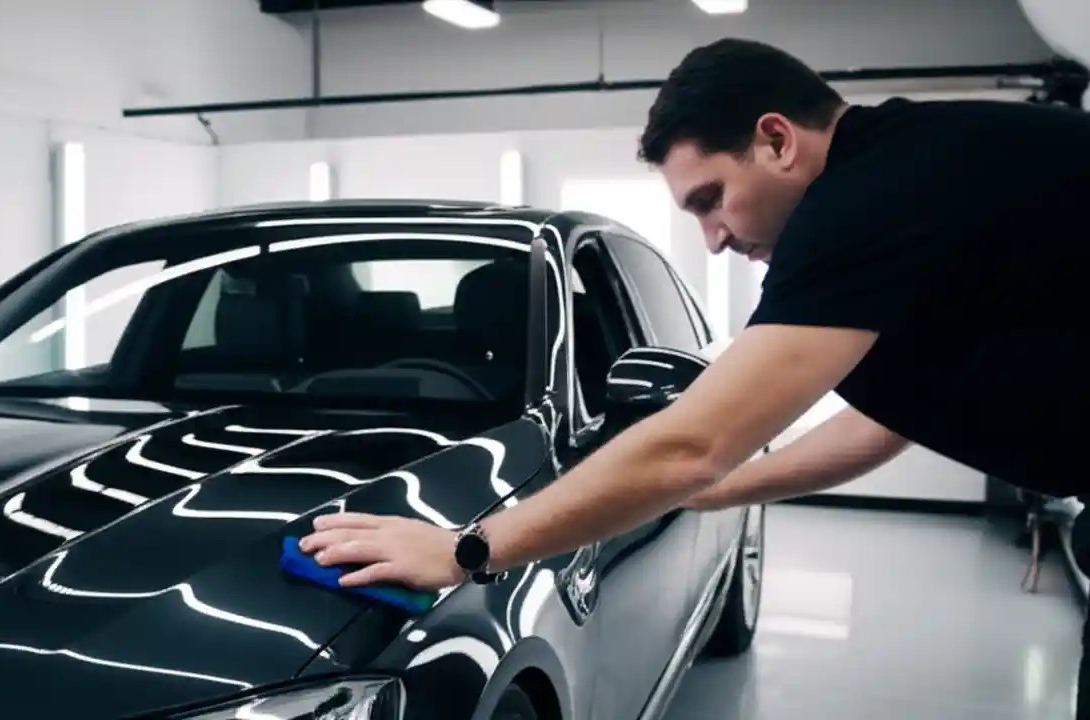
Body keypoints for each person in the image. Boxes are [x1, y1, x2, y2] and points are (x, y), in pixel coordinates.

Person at [299, 38, 1089, 715]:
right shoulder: (918, 171)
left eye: (711, 200)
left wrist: (465, 552)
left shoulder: (863, 201)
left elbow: (691, 441)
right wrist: (715, 490)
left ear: (777, 140)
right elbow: (885, 421)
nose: (712, 241)